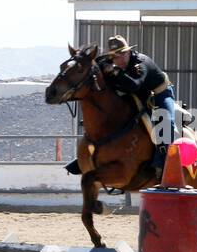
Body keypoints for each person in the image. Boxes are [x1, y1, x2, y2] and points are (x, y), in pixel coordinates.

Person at [62, 35, 180, 176]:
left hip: (159, 92)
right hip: (134, 93)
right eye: (116, 56)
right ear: (111, 57)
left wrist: (115, 71)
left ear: (129, 52)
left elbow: (134, 85)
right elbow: (90, 72)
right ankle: (87, 157)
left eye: (124, 54)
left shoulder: (141, 63)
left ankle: (163, 164)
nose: (121, 59)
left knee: (166, 122)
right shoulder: (106, 63)